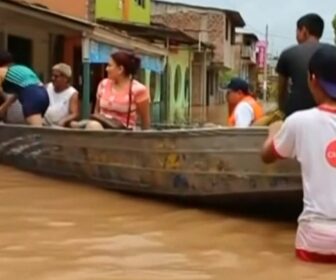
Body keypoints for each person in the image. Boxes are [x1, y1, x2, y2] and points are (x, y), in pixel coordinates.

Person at [261, 44, 336, 263]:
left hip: (315, 239)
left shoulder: (298, 122)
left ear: (312, 79)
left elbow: (267, 156)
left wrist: (273, 133)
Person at [72, 51, 150, 130]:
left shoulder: (139, 90)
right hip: (100, 127)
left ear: (120, 69)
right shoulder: (103, 84)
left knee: (92, 126)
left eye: (109, 66)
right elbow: (97, 111)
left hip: (123, 133)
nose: (106, 69)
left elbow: (145, 120)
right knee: (88, 125)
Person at [276, 13, 325, 118]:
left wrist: (282, 110)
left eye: (297, 31)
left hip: (296, 114)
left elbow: (281, 90)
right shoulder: (332, 52)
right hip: (329, 115)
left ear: (304, 31)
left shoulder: (288, 54)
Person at [0, 51, 49, 126]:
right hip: (43, 94)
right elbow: (20, 91)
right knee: (37, 128)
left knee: (36, 132)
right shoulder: (22, 68)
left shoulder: (2, 71)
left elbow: (28, 90)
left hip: (31, 96)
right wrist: (3, 108)